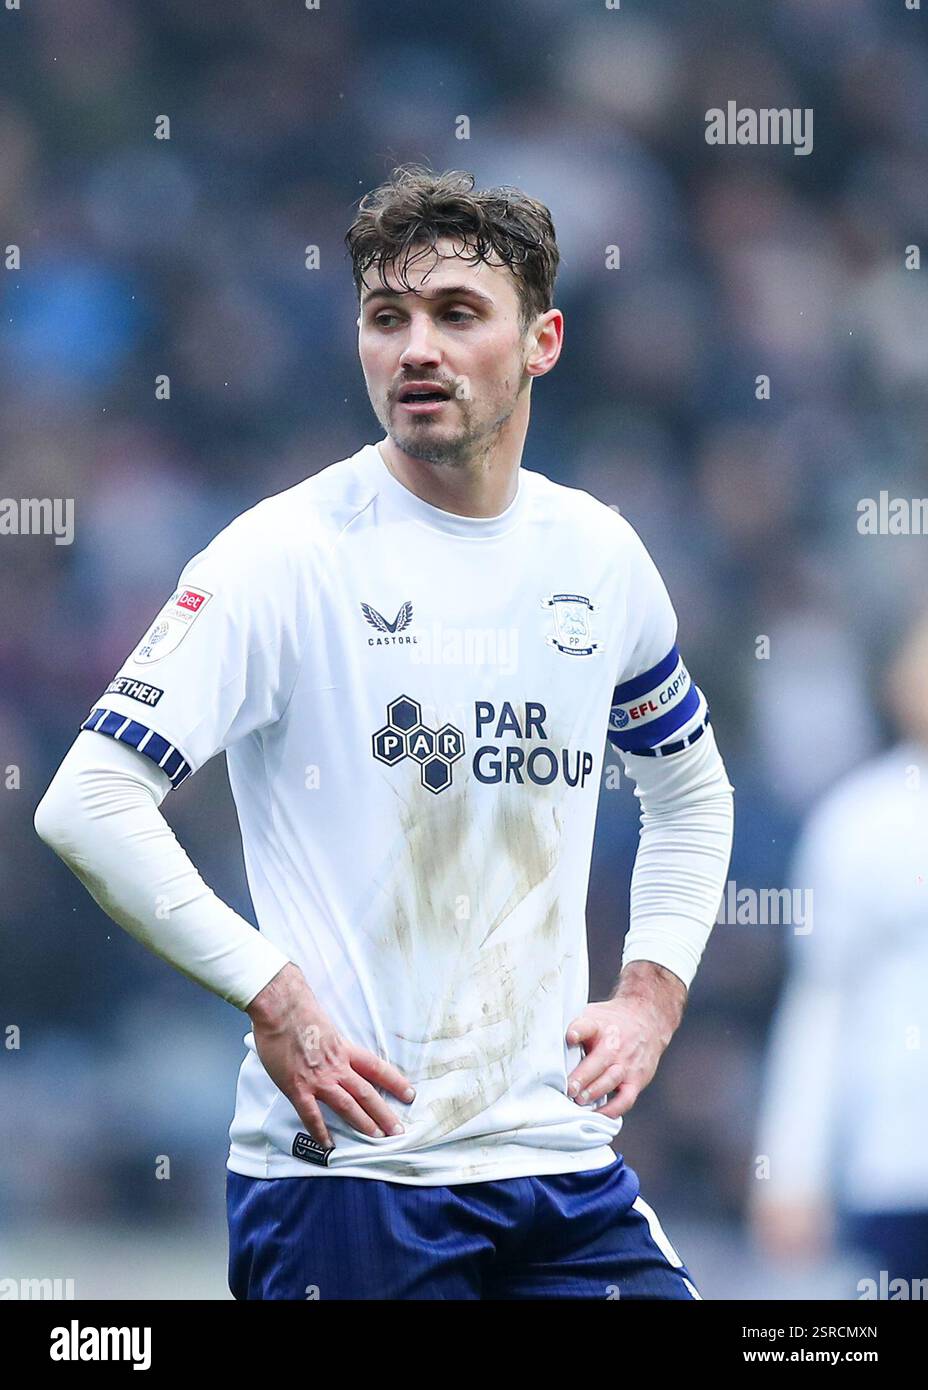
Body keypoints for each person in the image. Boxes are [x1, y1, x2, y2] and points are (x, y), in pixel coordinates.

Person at [34, 165, 734, 1300]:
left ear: (541, 341)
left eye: (457, 315)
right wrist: (271, 990)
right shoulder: (282, 555)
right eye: (385, 317)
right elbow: (88, 802)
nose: (417, 348)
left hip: (558, 1167)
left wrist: (652, 993)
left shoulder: (597, 558)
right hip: (349, 1178)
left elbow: (689, 793)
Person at [749, 608, 928, 1292]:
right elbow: (819, 1003)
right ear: (896, 680)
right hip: (898, 1161)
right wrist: (791, 1167)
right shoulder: (860, 822)